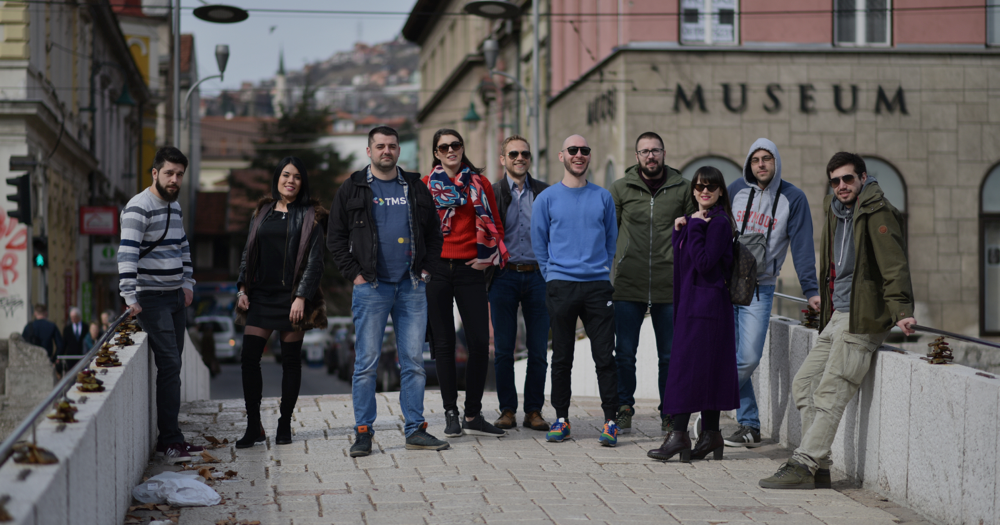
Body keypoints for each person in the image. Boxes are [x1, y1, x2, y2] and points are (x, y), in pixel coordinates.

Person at [760, 152, 916, 489]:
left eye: (847, 179)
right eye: (835, 181)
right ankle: (822, 465)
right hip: (837, 316)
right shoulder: (835, 212)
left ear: (862, 177)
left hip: (863, 319)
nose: (841, 186)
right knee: (804, 384)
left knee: (831, 391)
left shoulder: (877, 212)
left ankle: (804, 463)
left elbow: (895, 267)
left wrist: (902, 312)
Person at [328, 126, 449, 456]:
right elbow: (335, 237)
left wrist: (426, 270)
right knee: (366, 364)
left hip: (411, 286)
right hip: (372, 287)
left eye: (392, 146)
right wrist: (354, 275)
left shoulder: (413, 186)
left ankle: (415, 430)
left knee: (413, 363)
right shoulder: (352, 187)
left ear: (399, 151)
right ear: (369, 151)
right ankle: (364, 432)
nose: (386, 151)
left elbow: (434, 235)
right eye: (380, 146)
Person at [725, 138, 819, 448]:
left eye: (767, 158)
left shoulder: (793, 198)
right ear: (748, 164)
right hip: (724, 284)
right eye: (755, 160)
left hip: (760, 288)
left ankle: (708, 402)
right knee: (732, 355)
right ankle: (749, 423)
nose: (761, 164)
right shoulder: (736, 190)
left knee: (748, 357)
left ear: (776, 162)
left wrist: (811, 290)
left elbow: (803, 247)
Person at [531, 134, 620, 447]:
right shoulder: (547, 199)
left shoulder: (603, 197)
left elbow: (611, 240)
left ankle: (610, 421)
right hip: (560, 285)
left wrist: (601, 270)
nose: (579, 154)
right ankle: (562, 418)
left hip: (597, 286)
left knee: (605, 357)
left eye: (584, 150)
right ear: (562, 156)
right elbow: (539, 242)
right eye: (573, 150)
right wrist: (551, 275)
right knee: (562, 358)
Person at [235, 156, 328, 449]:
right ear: (277, 179)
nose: (291, 180)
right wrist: (241, 287)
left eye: (297, 177)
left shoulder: (311, 215)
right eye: (286, 175)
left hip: (292, 298)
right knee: (249, 357)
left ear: (303, 183)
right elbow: (248, 251)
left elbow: (315, 262)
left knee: (290, 361)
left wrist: (301, 297)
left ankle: (284, 423)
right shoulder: (262, 211)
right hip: (260, 295)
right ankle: (253, 426)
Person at [647, 166, 738, 462]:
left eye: (711, 186)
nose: (704, 191)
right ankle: (711, 434)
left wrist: (695, 227)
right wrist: (680, 231)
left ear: (721, 191)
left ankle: (679, 435)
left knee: (684, 370)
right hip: (695, 305)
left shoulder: (719, 222)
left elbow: (703, 262)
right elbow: (682, 261)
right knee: (705, 370)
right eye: (699, 187)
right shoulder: (700, 220)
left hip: (707, 309)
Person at [422, 128, 508, 439]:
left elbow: (495, 225)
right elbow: (418, 231)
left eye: (455, 145)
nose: (450, 150)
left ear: (462, 148)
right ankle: (450, 413)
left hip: (471, 270)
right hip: (438, 272)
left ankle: (473, 413)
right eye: (443, 147)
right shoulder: (425, 186)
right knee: (443, 345)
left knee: (478, 344)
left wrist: (488, 257)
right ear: (436, 152)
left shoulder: (480, 183)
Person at [119, 146, 202, 463]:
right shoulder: (139, 207)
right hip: (150, 299)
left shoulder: (175, 207)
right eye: (169, 173)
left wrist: (187, 282)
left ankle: (170, 437)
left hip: (175, 298)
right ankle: (169, 439)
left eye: (179, 174)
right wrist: (129, 297)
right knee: (170, 366)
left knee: (173, 366)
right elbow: (126, 253)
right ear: (155, 173)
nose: (174, 179)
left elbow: (182, 245)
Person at [610, 131, 695, 436]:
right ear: (637, 157)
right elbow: (609, 235)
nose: (650, 156)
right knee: (625, 354)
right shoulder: (620, 188)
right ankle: (623, 409)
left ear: (663, 153)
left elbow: (694, 234)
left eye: (655, 150)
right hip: (627, 283)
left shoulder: (683, 188)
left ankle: (669, 413)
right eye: (644, 151)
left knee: (670, 356)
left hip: (669, 283)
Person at [487, 135, 551, 432]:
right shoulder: (493, 192)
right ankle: (508, 410)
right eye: (513, 153)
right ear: (503, 159)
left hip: (539, 275)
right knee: (503, 350)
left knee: (538, 349)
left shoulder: (546, 192)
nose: (520, 157)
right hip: (504, 275)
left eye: (524, 153)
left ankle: (534, 410)